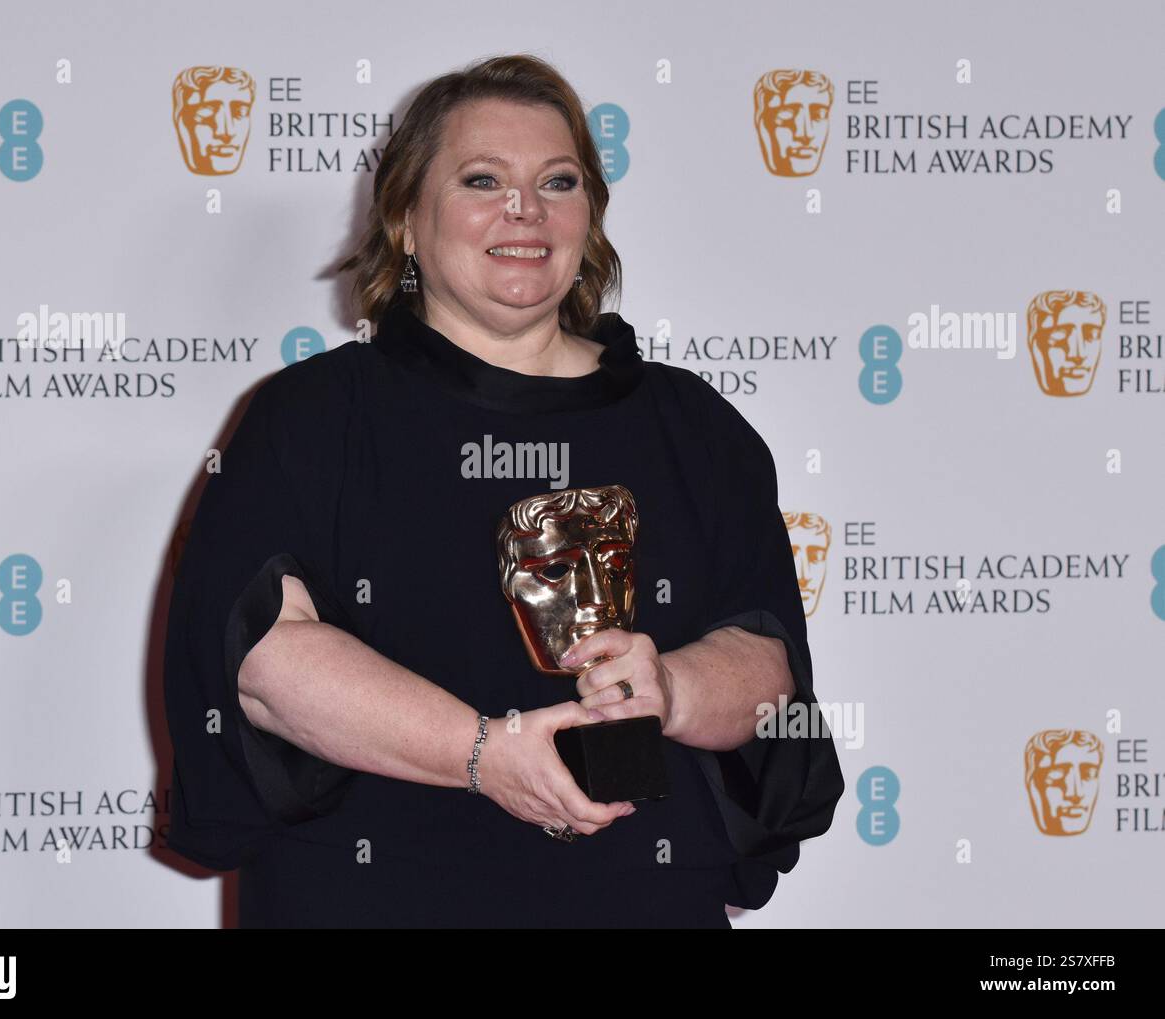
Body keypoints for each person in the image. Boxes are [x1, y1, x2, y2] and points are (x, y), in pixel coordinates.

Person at [162, 53, 844, 928]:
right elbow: (262, 661)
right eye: (482, 179)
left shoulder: (694, 428)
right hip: (372, 899)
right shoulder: (316, 418)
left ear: (590, 216)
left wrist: (671, 687)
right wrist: (484, 754)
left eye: (558, 181)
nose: (525, 209)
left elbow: (766, 660)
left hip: (637, 898)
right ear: (406, 220)